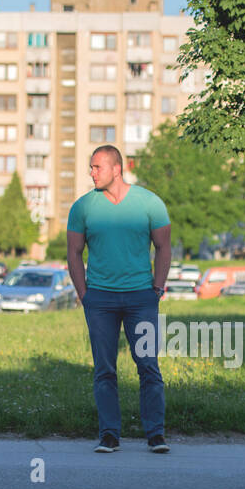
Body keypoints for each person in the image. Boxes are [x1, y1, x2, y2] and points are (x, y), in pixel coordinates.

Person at [66, 145, 172, 454]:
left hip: (141, 299)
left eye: (97, 167)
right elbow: (73, 253)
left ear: (116, 169)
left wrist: (157, 289)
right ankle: (109, 435)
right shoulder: (83, 207)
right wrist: (85, 295)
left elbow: (164, 247)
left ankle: (155, 435)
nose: (92, 172)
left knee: (148, 366)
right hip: (100, 300)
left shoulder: (150, 203)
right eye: (91, 167)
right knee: (104, 369)